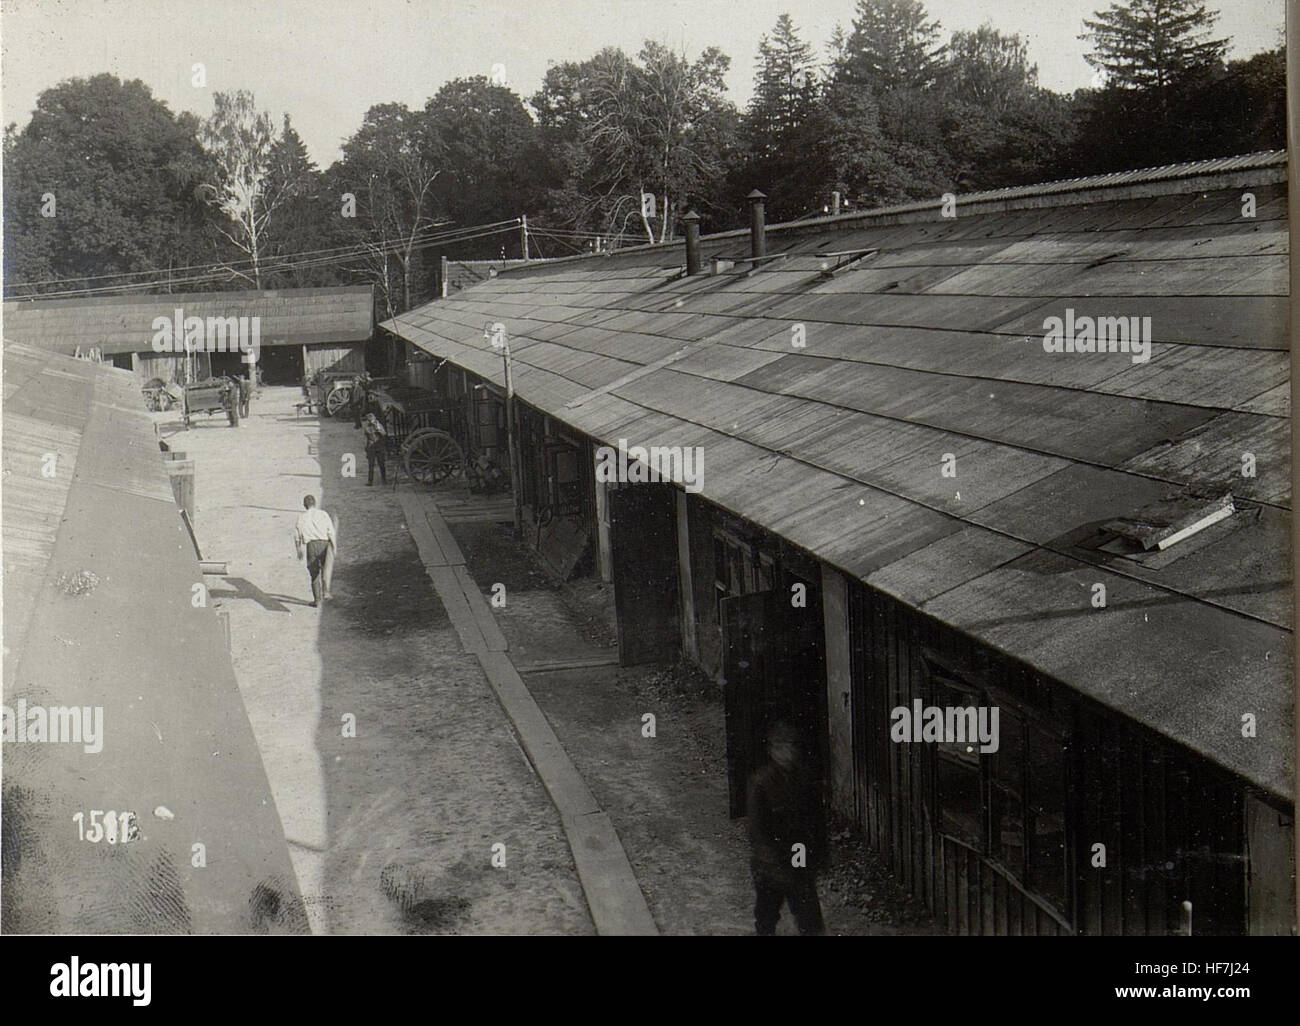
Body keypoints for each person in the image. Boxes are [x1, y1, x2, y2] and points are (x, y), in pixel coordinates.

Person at [746, 719, 826, 936]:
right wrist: (772, 864)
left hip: (799, 859)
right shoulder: (761, 783)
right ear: (772, 750)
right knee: (766, 917)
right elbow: (757, 830)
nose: (786, 752)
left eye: (790, 746)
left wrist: (818, 856)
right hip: (772, 863)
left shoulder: (805, 779)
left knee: (810, 919)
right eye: (780, 747)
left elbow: (816, 821)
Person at [293, 494, 337, 607]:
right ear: (315, 503)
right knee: (325, 568)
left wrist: (299, 550)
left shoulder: (301, 517)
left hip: (311, 546)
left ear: (304, 505)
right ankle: (326, 591)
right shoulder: (323, 514)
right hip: (324, 543)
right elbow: (331, 531)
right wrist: (334, 546)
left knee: (314, 573)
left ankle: (317, 600)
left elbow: (297, 536)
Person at [363, 412, 388, 486]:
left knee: (381, 464)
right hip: (371, 447)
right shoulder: (367, 427)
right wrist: (366, 449)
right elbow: (366, 438)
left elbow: (383, 434)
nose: (370, 419)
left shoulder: (379, 425)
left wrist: (377, 428)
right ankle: (370, 481)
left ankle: (384, 479)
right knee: (371, 465)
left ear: (374, 418)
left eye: (371, 418)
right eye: (369, 418)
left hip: (379, 447)